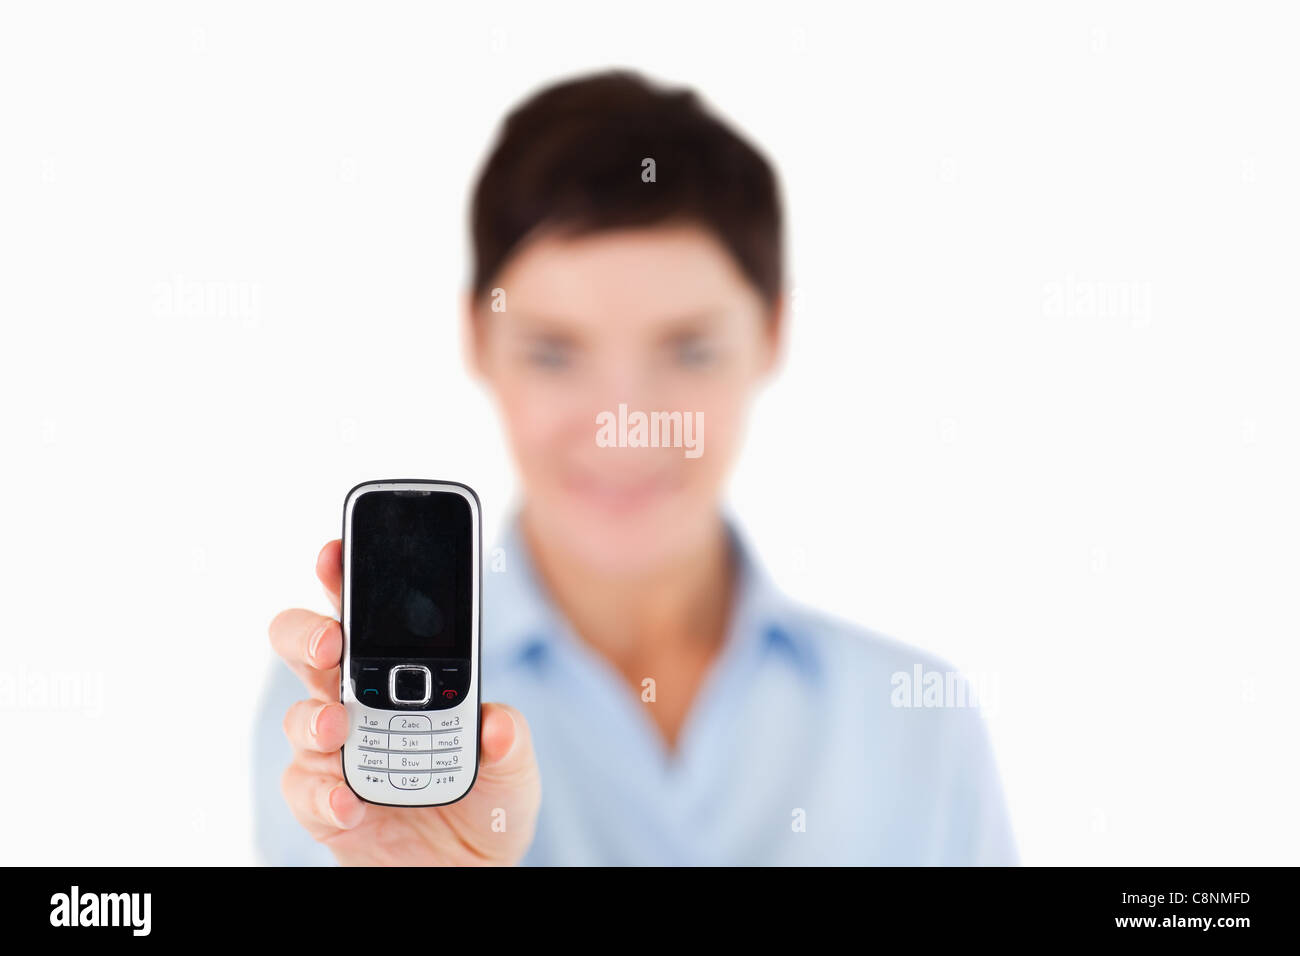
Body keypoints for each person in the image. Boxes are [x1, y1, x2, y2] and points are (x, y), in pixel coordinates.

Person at [255, 69, 1018, 865]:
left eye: (690, 350)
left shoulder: (920, 726)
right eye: (553, 352)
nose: (624, 422)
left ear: (773, 333)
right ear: (477, 337)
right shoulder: (340, 731)